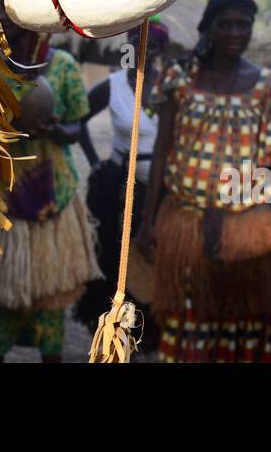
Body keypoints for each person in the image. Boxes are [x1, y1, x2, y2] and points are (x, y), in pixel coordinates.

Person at [136, 0, 271, 362]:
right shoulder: (180, 77)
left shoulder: (269, 85)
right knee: (186, 322)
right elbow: (161, 152)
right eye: (226, 24)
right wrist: (147, 224)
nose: (235, 32)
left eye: (243, 25)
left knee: (241, 324)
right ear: (208, 28)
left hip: (249, 228)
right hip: (186, 223)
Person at [0, 0, 100, 363]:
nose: (5, 27)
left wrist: (53, 129)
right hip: (0, 197)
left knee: (49, 301)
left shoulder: (64, 67)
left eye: (14, 22)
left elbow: (75, 128)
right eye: (2, 20)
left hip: (54, 196)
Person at [77, 17, 169, 339]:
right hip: (117, 186)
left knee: (153, 256)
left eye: (151, 45)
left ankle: (149, 331)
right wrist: (95, 162)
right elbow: (78, 121)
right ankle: (111, 330)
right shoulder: (113, 85)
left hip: (160, 188)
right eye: (135, 43)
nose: (142, 50)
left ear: (161, 50)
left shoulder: (170, 87)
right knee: (115, 255)